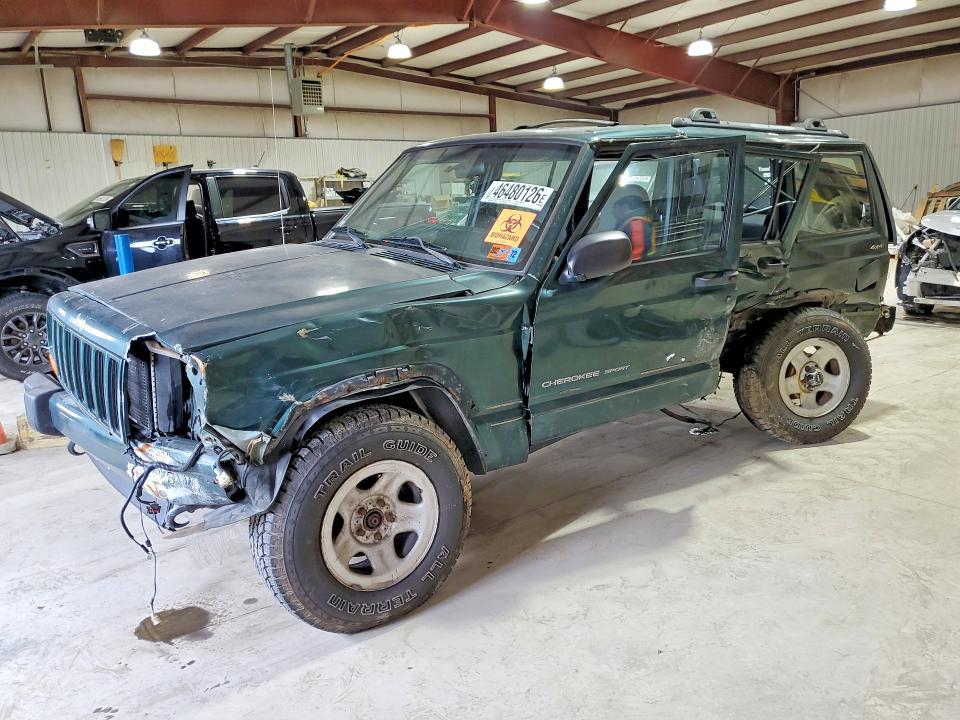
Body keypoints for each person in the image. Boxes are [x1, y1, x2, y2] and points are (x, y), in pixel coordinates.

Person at [612, 186, 656, 262]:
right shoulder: (628, 222)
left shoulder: (636, 225)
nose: (612, 212)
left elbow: (636, 258)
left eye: (615, 208)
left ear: (625, 208)